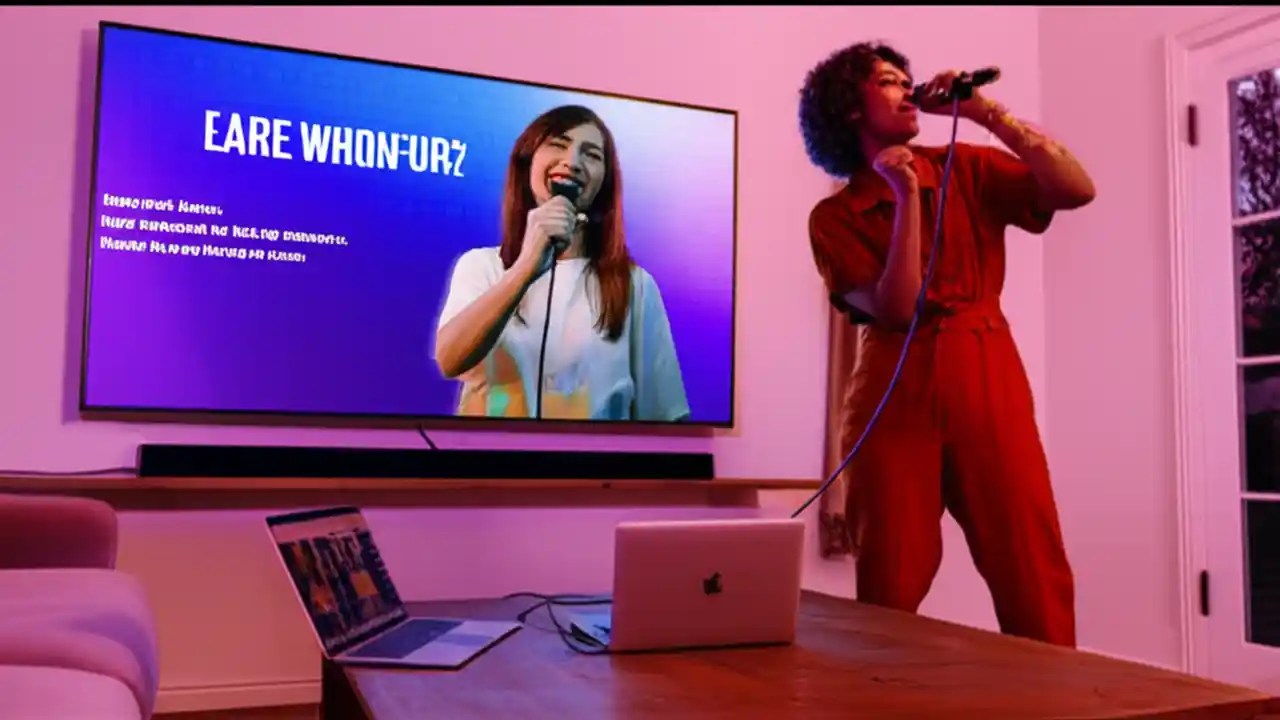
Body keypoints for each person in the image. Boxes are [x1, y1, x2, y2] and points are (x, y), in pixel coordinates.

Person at [798, 42, 1096, 647]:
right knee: (890, 583)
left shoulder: (967, 167)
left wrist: (985, 112)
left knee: (1032, 564)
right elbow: (900, 309)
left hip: (987, 368)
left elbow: (1075, 188)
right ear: (849, 109)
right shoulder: (835, 217)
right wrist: (906, 195)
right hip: (893, 390)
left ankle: (1058, 702)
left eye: (908, 79)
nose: (907, 89)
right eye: (888, 81)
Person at [434, 105, 689, 422]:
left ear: (604, 182)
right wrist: (526, 267)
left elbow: (666, 416)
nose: (572, 162)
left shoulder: (633, 285)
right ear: (528, 161)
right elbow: (449, 360)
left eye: (592, 154)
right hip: (489, 467)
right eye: (558, 143)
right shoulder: (482, 266)